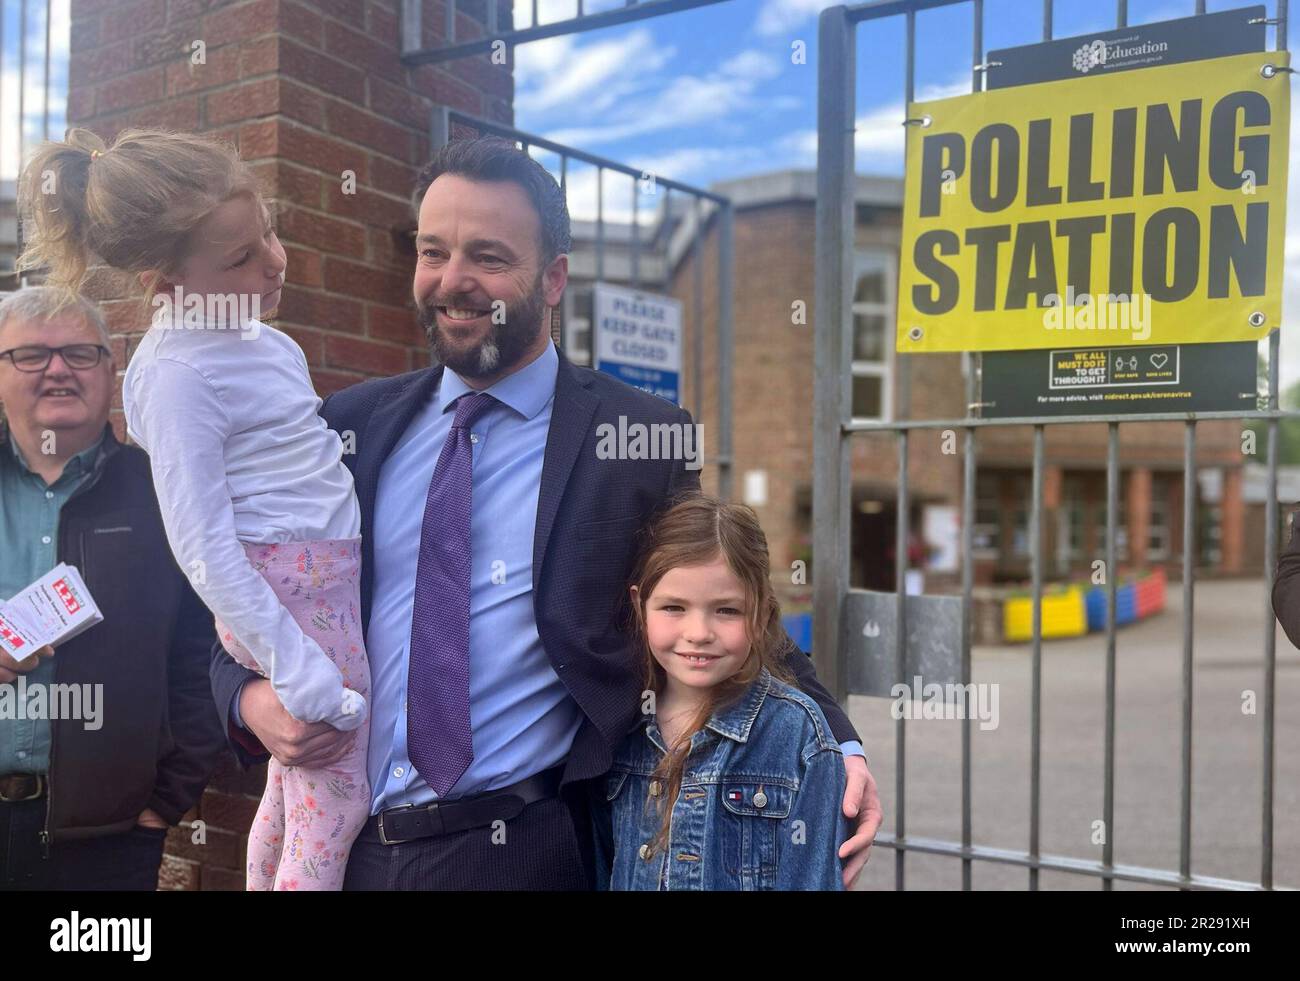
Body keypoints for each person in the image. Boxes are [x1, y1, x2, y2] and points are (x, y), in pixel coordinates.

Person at [212, 136, 883, 890]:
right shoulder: (347, 425)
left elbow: (720, 595)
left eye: (488, 258)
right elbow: (250, 584)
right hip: (346, 852)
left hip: (528, 851)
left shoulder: (638, 437)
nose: (452, 281)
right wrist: (244, 698)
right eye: (434, 252)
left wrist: (840, 740)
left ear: (554, 277)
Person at [17, 128, 371, 891]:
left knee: (296, 791)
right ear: (165, 278)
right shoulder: (174, 374)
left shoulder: (267, 345)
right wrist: (294, 663)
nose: (273, 259)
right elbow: (202, 546)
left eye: (267, 230)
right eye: (239, 258)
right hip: (289, 596)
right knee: (341, 794)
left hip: (326, 580)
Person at [0, 286, 225, 890]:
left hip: (106, 842)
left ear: (109, 368)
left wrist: (165, 800)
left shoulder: (164, 492)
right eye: (29, 355)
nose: (56, 370)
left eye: (80, 353)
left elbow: (205, 647)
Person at [596, 495, 849, 890]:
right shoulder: (618, 726)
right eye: (674, 607)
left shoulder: (799, 737)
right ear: (639, 605)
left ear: (763, 613)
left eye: (727, 610)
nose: (698, 633)